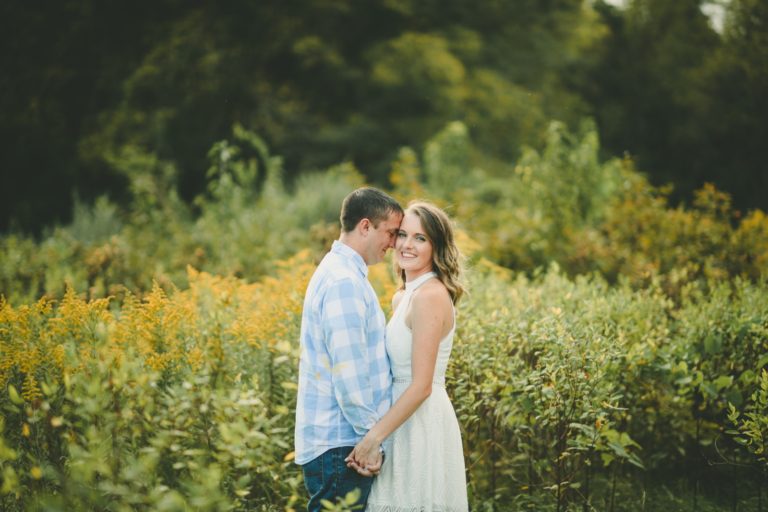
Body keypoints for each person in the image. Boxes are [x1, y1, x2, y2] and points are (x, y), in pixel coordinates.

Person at [346, 200, 469, 511]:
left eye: (420, 238)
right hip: (398, 421)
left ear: (436, 247)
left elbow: (421, 385)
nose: (406, 245)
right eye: (402, 234)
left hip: (422, 422)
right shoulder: (402, 296)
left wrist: (372, 439)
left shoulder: (430, 296)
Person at [294, 187, 404, 511]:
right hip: (344, 448)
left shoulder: (341, 274)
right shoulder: (344, 282)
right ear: (366, 226)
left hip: (341, 447)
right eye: (391, 232)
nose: (395, 243)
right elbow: (349, 375)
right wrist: (372, 442)